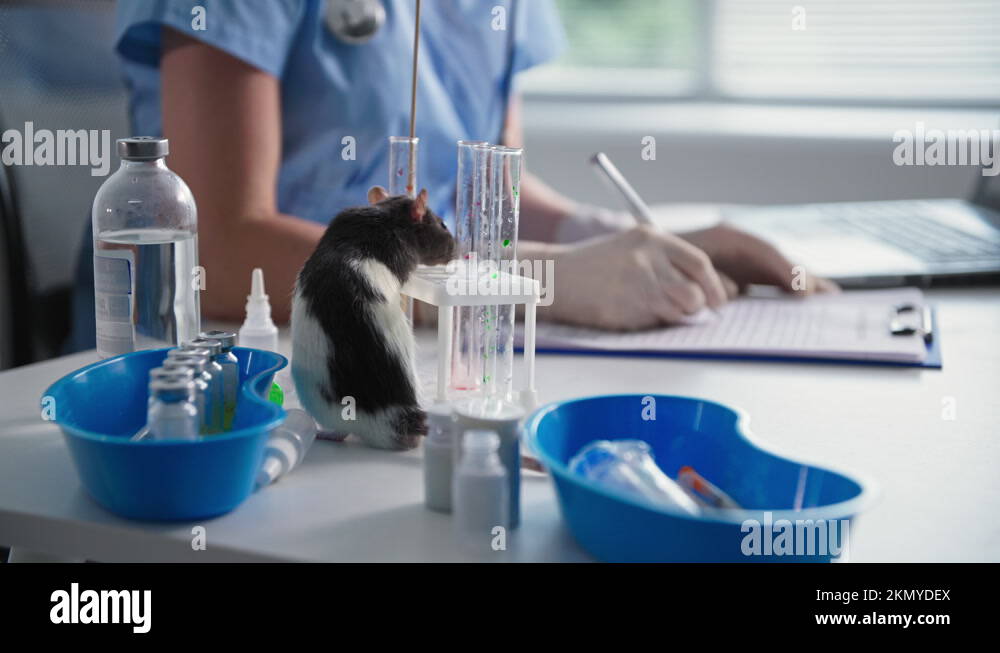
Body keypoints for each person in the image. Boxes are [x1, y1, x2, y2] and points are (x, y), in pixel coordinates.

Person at [72, 0, 832, 350]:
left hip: (422, 344)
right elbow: (222, 250)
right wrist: (542, 281)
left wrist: (633, 243)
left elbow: (490, 196)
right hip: (231, 356)